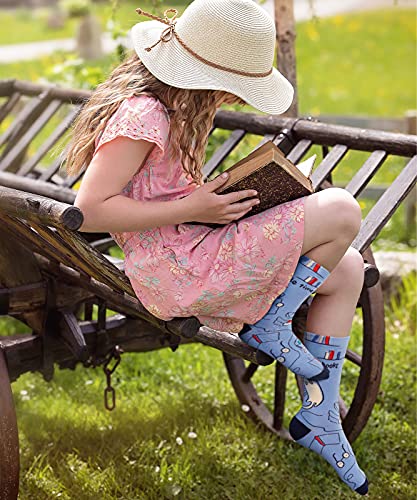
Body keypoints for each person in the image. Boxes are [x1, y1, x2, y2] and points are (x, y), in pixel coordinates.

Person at [66, 0, 368, 495]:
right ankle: (272, 324)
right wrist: (194, 208)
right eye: (234, 86)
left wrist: (219, 202)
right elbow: (91, 210)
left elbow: (163, 194)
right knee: (341, 210)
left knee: (348, 269)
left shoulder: (180, 110)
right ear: (202, 73)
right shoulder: (144, 114)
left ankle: (320, 417)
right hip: (176, 272)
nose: (237, 98)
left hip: (195, 250)